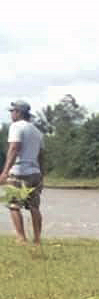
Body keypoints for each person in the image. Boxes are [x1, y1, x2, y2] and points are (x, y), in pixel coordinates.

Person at [0, 100, 45, 243]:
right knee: (34, 207)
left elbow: (14, 148)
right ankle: (37, 240)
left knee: (13, 205)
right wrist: (41, 174)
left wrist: (5, 171)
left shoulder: (16, 127)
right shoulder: (37, 131)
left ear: (18, 112)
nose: (11, 114)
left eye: (12, 111)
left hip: (19, 172)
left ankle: (21, 238)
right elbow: (41, 155)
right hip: (35, 172)